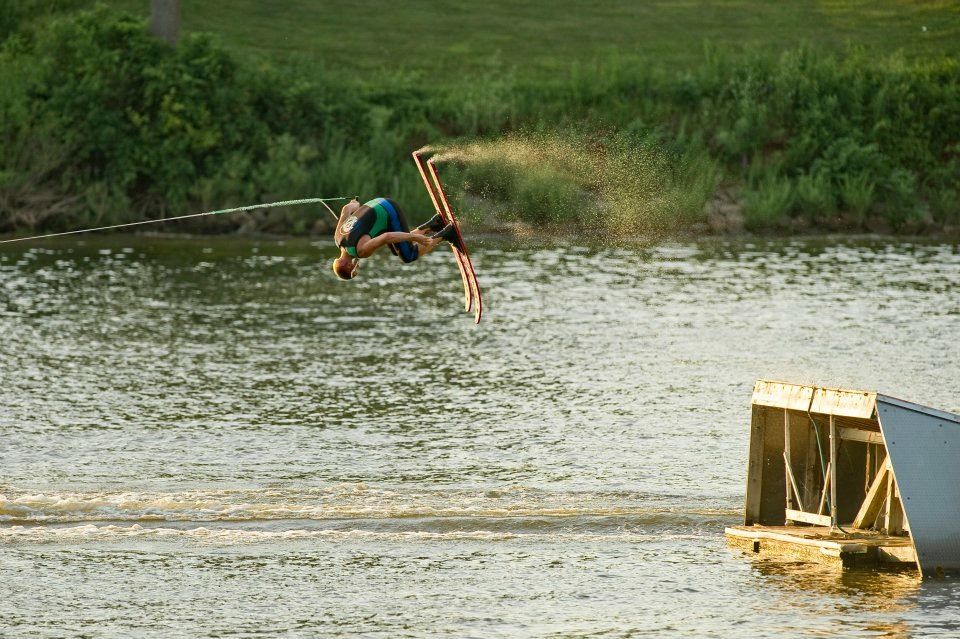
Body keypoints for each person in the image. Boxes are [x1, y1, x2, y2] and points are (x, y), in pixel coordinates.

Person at [331, 197, 459, 280]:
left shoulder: (360, 251)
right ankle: (434, 224)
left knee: (408, 256)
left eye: (354, 271)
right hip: (376, 202)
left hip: (389, 211)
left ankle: (446, 234)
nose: (356, 268)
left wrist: (414, 237)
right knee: (396, 250)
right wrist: (354, 204)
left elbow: (387, 237)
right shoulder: (337, 238)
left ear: (349, 266)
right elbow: (346, 210)